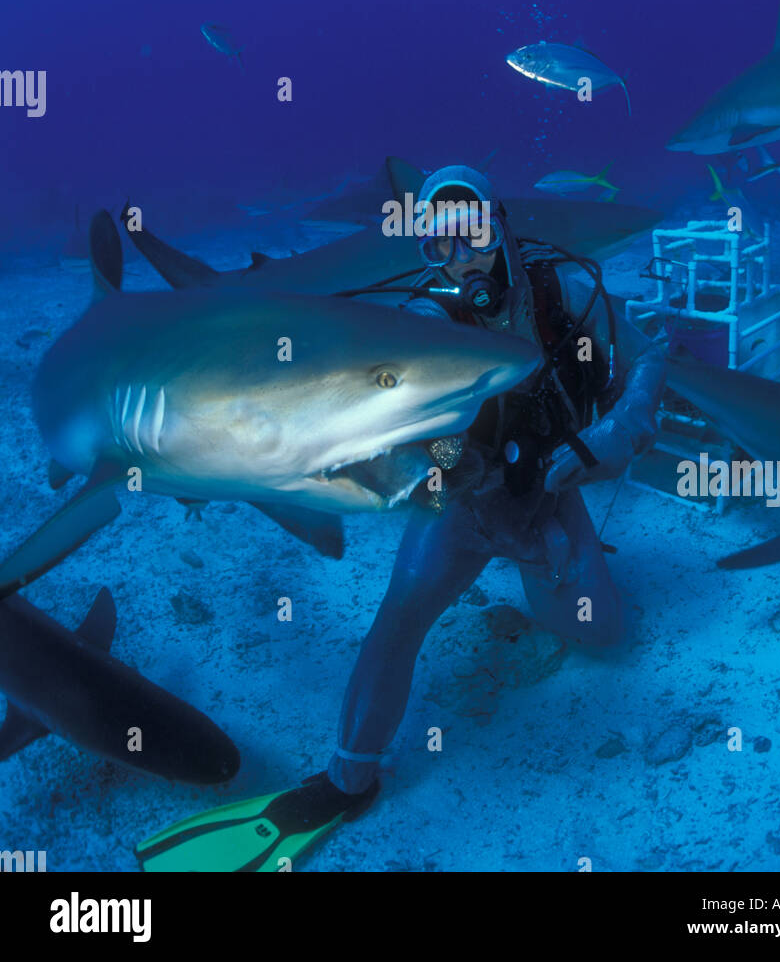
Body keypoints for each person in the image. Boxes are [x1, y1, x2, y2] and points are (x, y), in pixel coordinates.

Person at [136, 165, 665, 872]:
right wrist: (438, 463)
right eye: (437, 248)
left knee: (602, 634)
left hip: (551, 489)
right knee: (400, 614)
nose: (459, 261)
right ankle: (348, 777)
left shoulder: (562, 293)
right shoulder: (421, 322)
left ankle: (541, 589)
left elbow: (651, 357)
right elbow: (375, 413)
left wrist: (609, 437)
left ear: (499, 226)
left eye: (470, 237)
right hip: (465, 499)